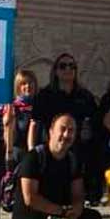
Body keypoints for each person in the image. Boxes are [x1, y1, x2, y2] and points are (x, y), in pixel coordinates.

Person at [2, 112, 103, 219]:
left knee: (91, 218)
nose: (66, 134)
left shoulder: (73, 160)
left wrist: (72, 218)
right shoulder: (34, 158)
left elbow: (78, 196)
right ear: (51, 131)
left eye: (71, 130)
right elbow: (30, 198)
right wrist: (62, 212)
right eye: (62, 129)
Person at [30, 53, 101, 202]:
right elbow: (34, 124)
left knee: (76, 195)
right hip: (52, 151)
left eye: (71, 66)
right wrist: (32, 152)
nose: (68, 69)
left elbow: (94, 123)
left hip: (78, 152)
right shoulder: (45, 95)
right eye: (63, 66)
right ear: (55, 71)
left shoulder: (85, 96)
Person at [9, 69, 37, 166]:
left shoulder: (40, 104)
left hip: (37, 152)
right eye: (23, 83)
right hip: (17, 153)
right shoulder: (13, 107)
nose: (27, 86)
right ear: (18, 87)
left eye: (30, 83)